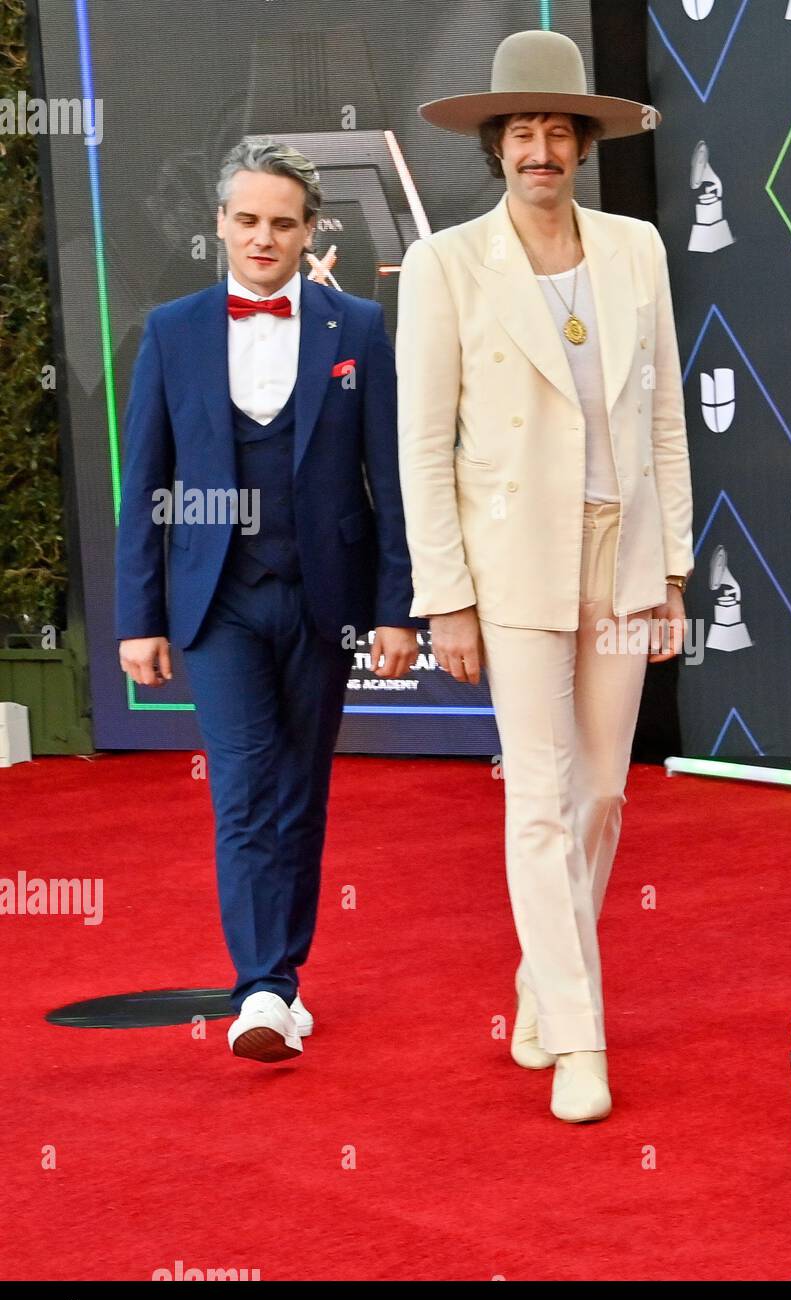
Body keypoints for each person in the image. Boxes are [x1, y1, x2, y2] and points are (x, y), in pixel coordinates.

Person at [398, 30, 693, 1122]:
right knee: (538, 796)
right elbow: (424, 443)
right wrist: (447, 597)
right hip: (512, 562)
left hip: (621, 555)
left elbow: (662, 415)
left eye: (558, 130)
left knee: (604, 793)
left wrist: (669, 566)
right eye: (521, 130)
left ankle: (539, 977)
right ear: (495, 147)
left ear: (581, 145)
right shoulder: (445, 265)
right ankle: (579, 1034)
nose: (540, 148)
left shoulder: (637, 251)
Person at [116, 137, 422, 1063]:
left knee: (302, 791)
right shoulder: (171, 330)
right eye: (246, 220)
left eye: (282, 223)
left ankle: (284, 977)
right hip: (216, 603)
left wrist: (397, 607)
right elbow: (146, 482)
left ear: (308, 231)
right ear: (220, 227)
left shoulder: (359, 328)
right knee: (245, 788)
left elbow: (392, 479)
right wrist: (140, 618)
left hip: (326, 596)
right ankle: (260, 989)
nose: (263, 237)